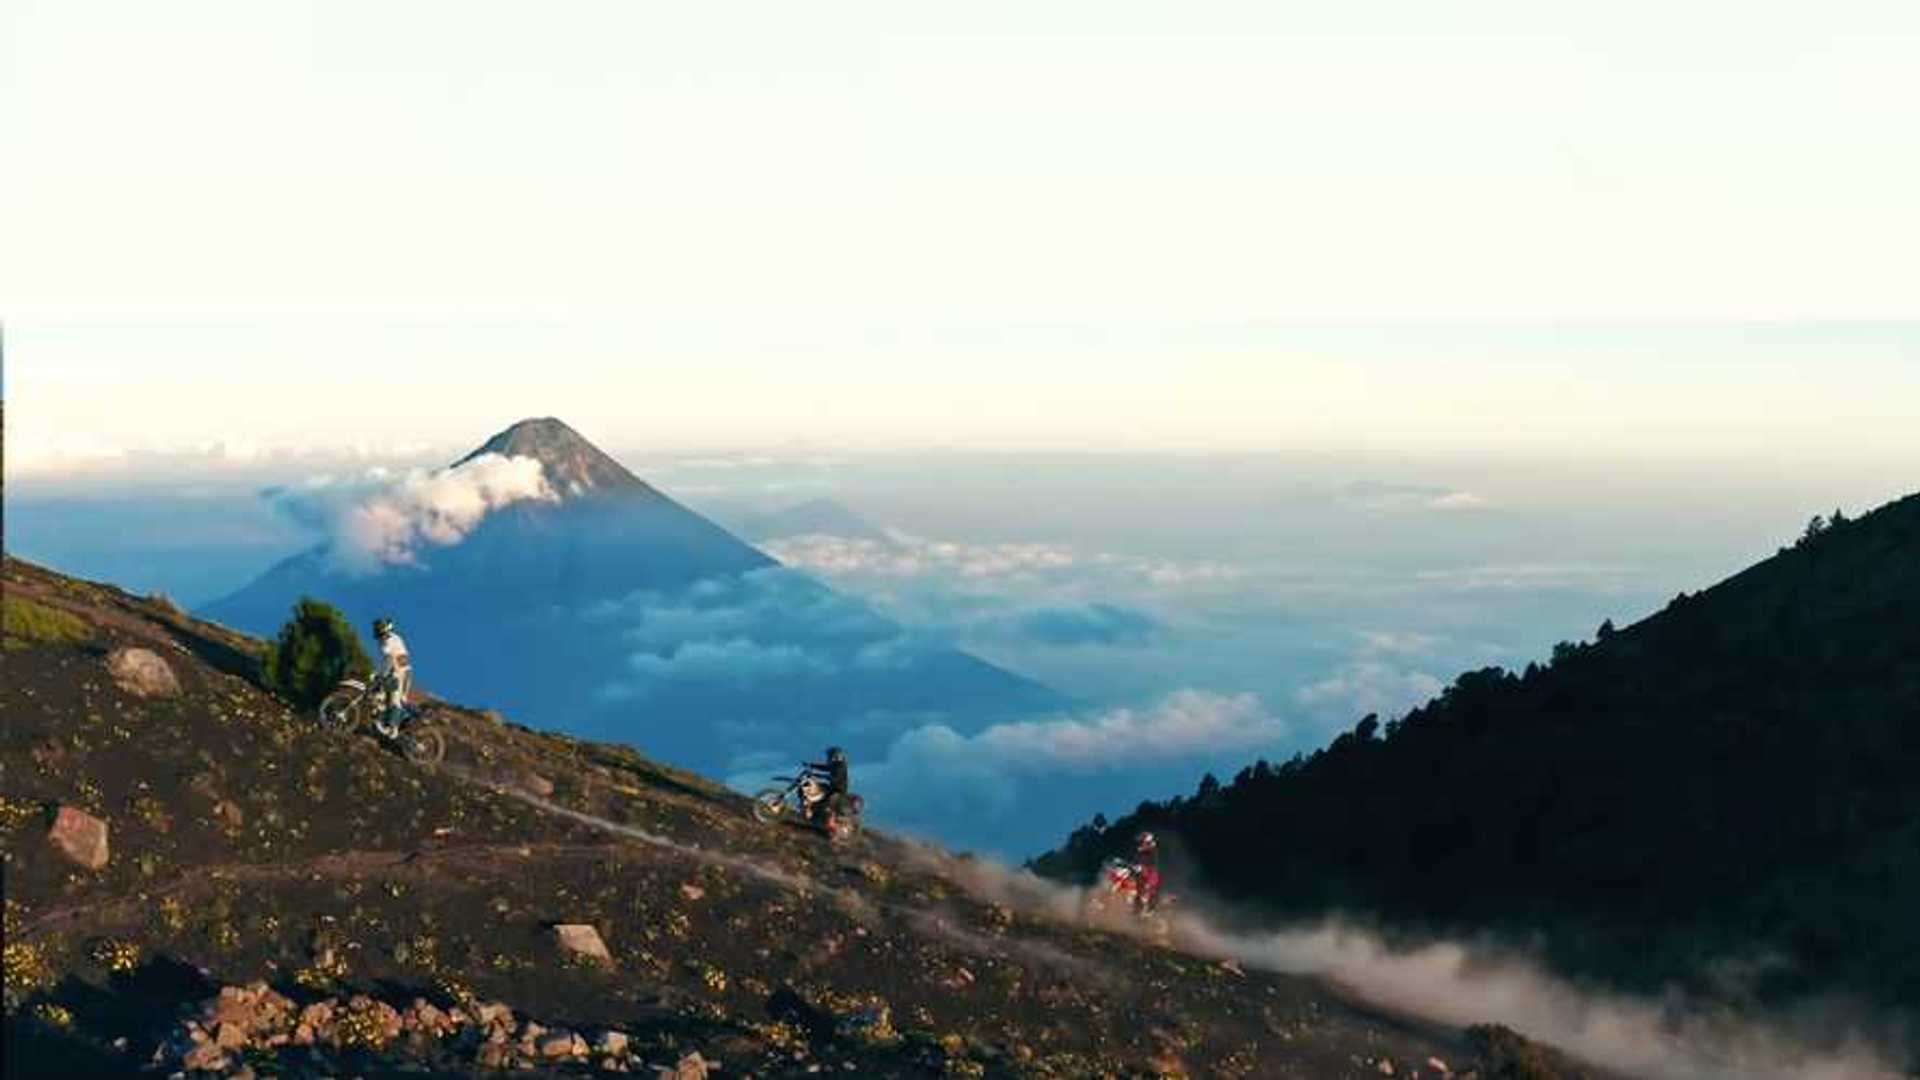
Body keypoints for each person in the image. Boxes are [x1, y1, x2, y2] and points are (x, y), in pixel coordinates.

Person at [370, 616, 413, 737]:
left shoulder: (390, 640)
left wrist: (380, 675)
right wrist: (378, 674)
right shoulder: (389, 639)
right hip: (397, 673)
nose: (377, 631)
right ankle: (383, 721)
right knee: (380, 695)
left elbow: (389, 660)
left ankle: (393, 729)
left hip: (400, 674)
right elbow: (388, 661)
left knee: (395, 701)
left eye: (379, 629)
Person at [803, 746, 850, 830]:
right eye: (829, 755)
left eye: (830, 755)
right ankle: (811, 811)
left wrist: (819, 775)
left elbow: (834, 778)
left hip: (838, 791)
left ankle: (831, 821)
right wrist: (811, 765)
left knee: (829, 802)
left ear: (835, 756)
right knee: (816, 788)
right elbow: (825, 767)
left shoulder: (841, 766)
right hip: (831, 788)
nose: (828, 757)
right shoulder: (835, 764)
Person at [1131, 831, 1163, 914]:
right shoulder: (1140, 851)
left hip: (1151, 874)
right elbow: (1134, 860)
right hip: (1142, 874)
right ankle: (1136, 908)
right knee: (1136, 889)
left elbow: (1151, 863)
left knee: (1145, 890)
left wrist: (1141, 867)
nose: (1140, 843)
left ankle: (1149, 909)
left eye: (1142, 841)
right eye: (1140, 842)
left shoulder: (1152, 849)